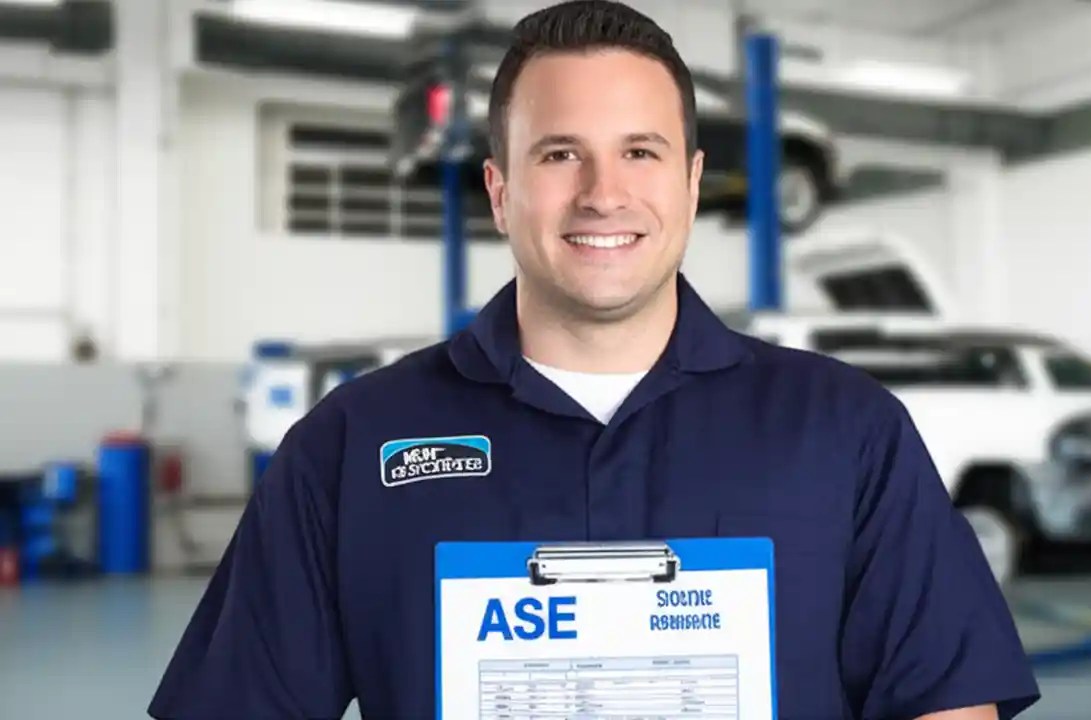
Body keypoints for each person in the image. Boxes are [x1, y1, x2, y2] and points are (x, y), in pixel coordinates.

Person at [149, 1, 1040, 718]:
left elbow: (944, 698)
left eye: (640, 152)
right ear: (500, 191)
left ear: (691, 184)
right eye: (560, 153)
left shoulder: (845, 430)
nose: (602, 193)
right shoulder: (350, 445)